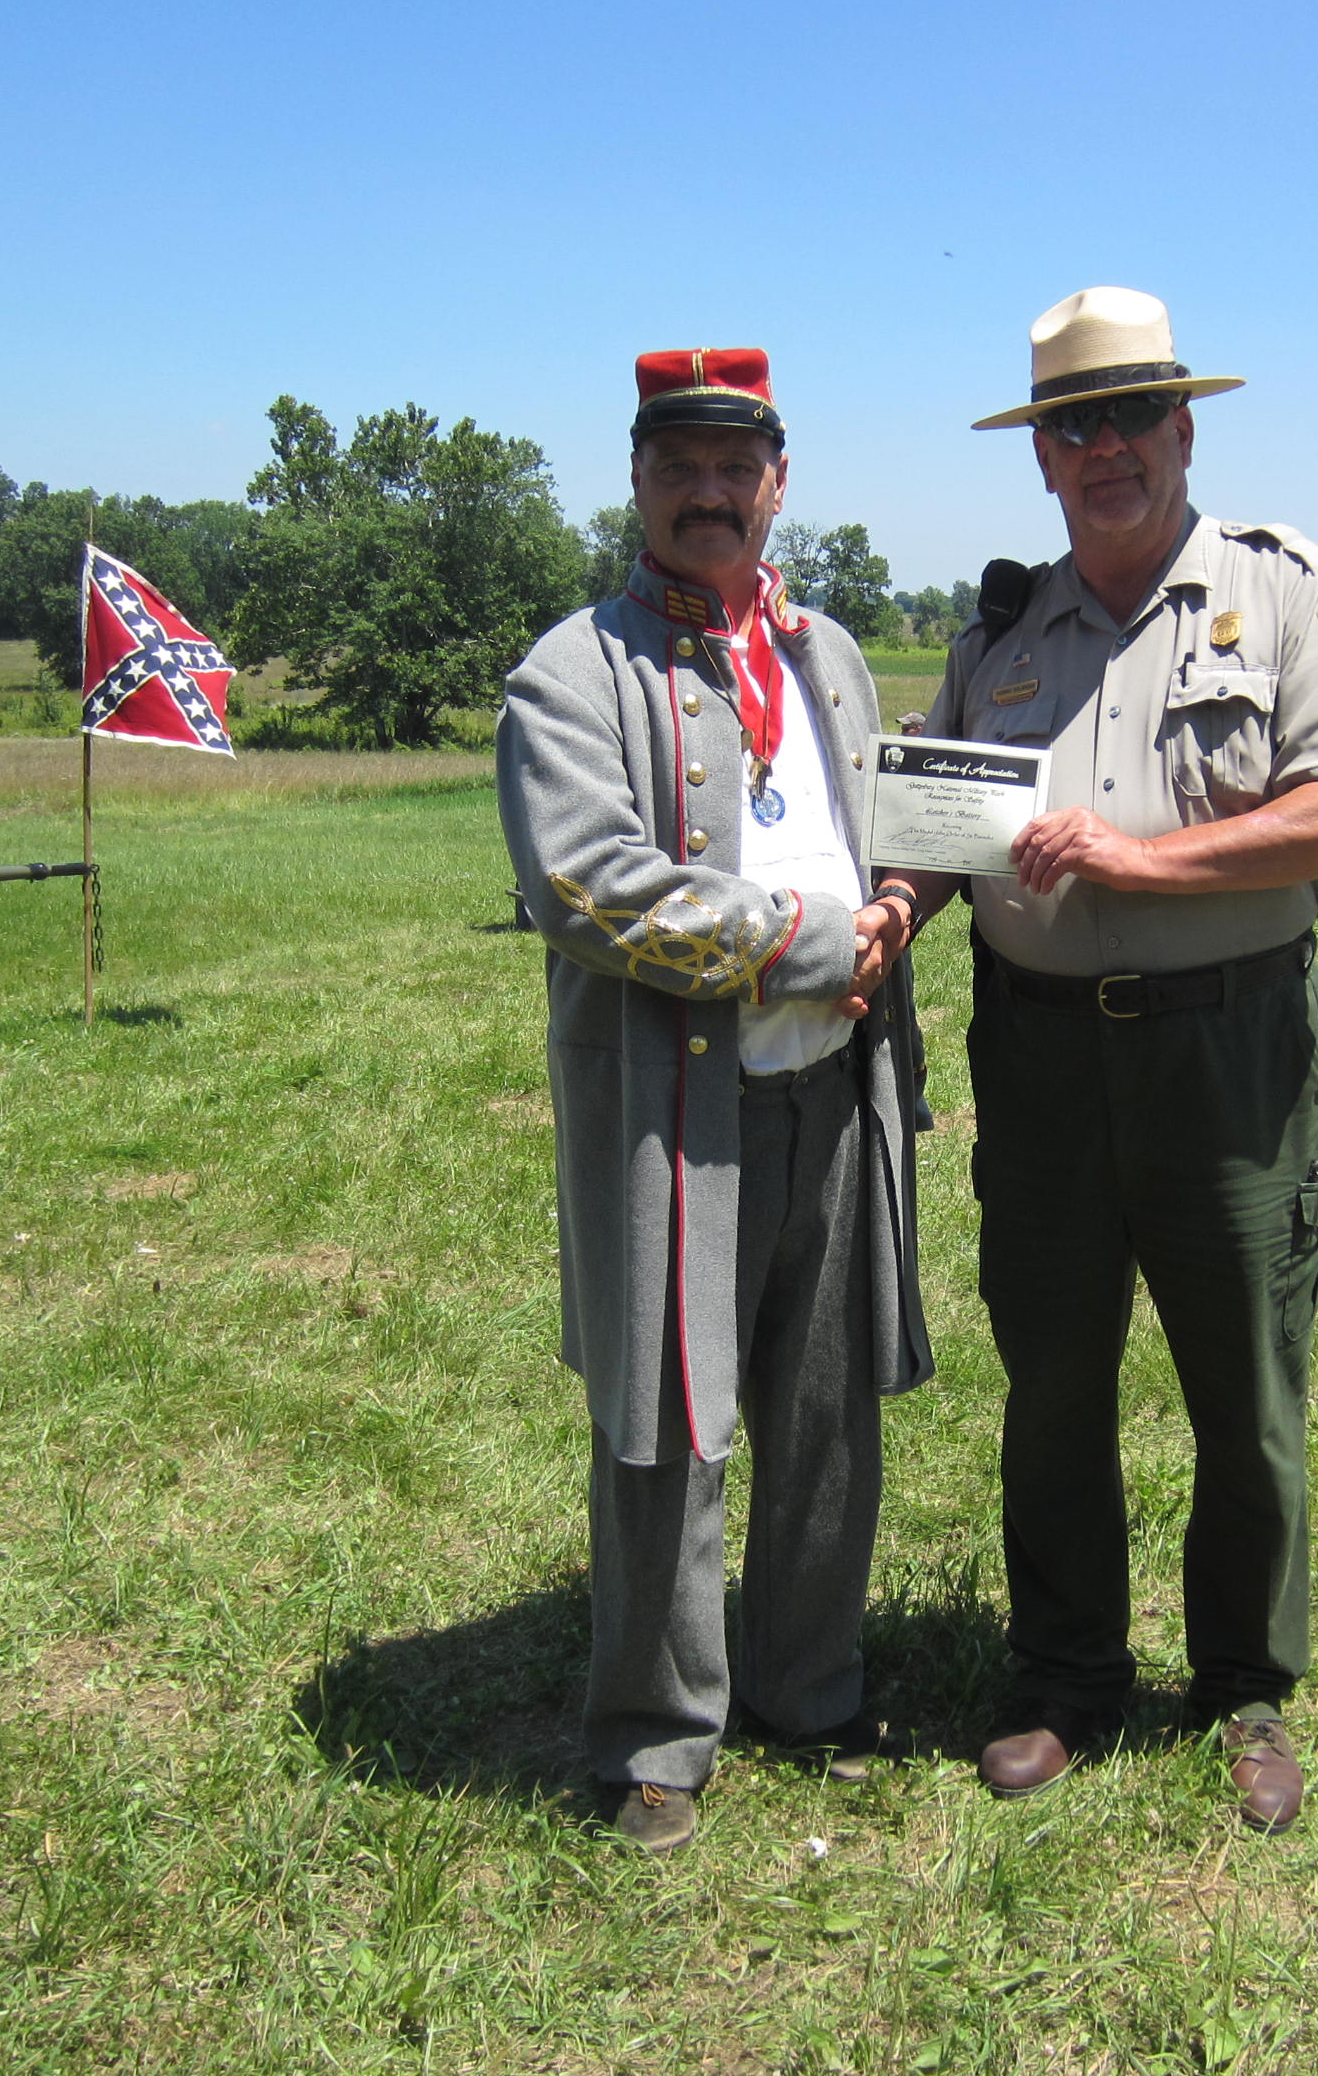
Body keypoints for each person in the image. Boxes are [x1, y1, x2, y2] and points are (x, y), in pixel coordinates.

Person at [873, 288, 1318, 1833]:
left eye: (1130, 418)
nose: (1104, 448)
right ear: (1042, 459)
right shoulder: (998, 634)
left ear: (1185, 431)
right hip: (1040, 1065)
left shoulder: (1278, 589)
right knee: (1052, 1384)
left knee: (1243, 1389)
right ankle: (1061, 1677)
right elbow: (928, 835)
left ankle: (1243, 1683)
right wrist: (886, 914)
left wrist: (1138, 863)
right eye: (1072, 425)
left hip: (1225, 1061)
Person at [497, 348, 934, 1853]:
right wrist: (820, 938)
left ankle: (808, 1686)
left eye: (733, 467)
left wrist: (892, 908)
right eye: (675, 463)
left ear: (778, 483)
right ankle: (655, 1738)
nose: (707, 492)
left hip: (834, 1089)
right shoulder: (573, 676)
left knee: (825, 1413)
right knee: (671, 1424)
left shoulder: (830, 657)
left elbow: (879, 823)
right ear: (635, 480)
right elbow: (591, 888)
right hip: (675, 1116)